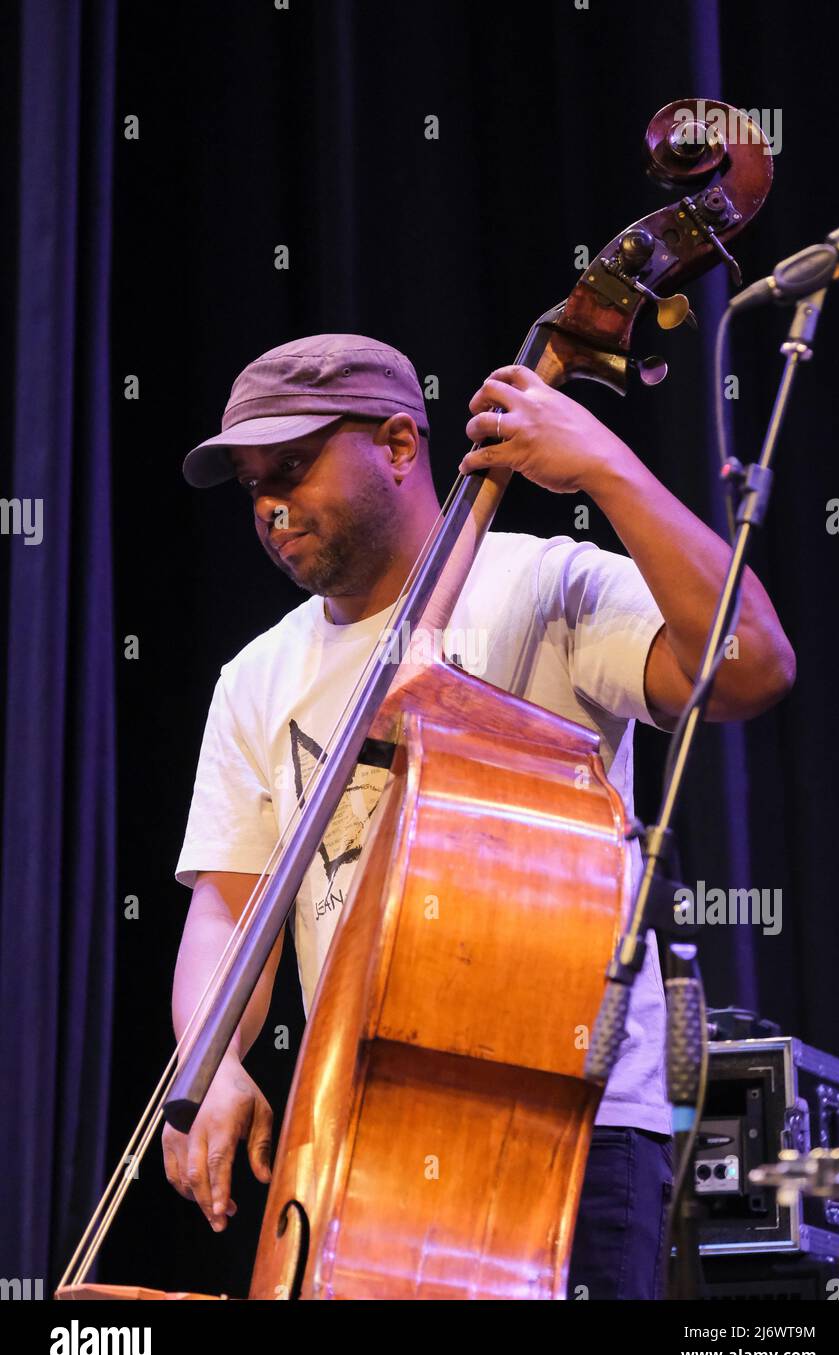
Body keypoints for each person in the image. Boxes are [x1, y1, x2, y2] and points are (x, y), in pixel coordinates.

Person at [164, 333, 795, 1299]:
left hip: (559, 1125)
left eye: (291, 467)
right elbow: (229, 908)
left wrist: (605, 466)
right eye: (252, 484)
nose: (270, 505)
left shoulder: (546, 586)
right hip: (349, 1135)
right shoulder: (254, 678)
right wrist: (206, 1068)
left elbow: (751, 662)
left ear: (401, 443)